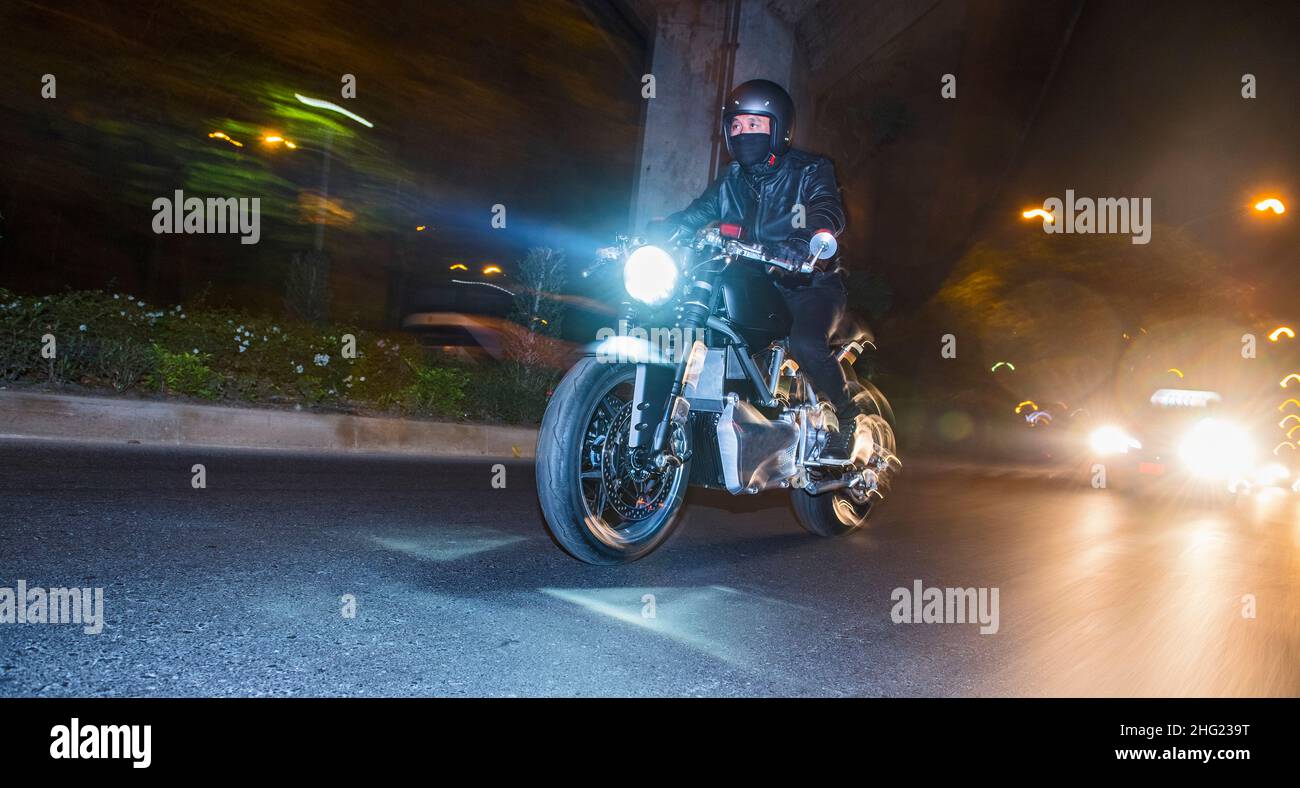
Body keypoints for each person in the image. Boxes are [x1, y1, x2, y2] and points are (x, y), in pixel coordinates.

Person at [646, 78, 862, 459]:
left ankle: (848, 416)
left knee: (806, 342)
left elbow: (825, 207)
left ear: (777, 128)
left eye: (755, 124)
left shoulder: (810, 170)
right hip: (751, 279)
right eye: (737, 125)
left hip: (809, 282)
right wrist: (660, 231)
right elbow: (696, 214)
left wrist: (809, 240)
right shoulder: (730, 181)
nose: (744, 132)